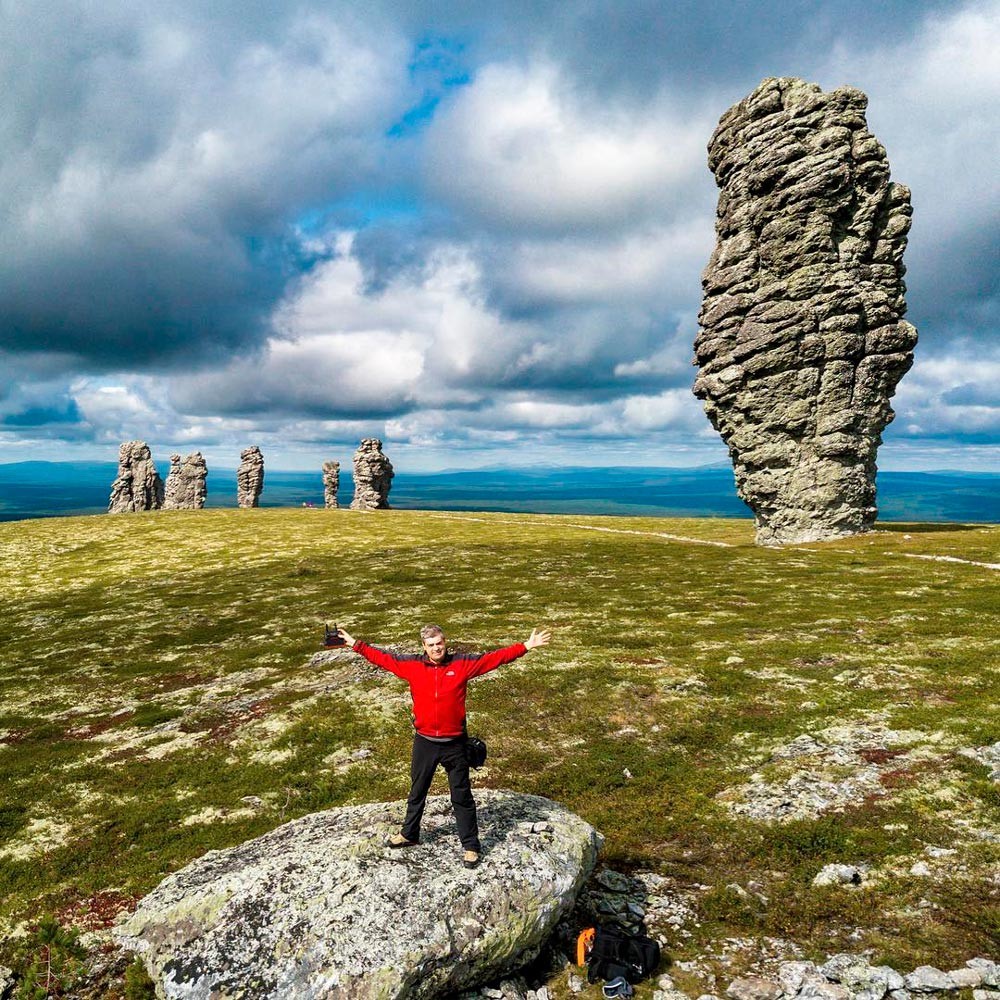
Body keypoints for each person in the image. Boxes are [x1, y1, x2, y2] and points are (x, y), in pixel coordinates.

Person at [336, 623, 551, 869]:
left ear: (445, 642)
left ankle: (471, 847)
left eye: (439, 643)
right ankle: (409, 834)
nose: (436, 648)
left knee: (462, 796)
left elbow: (494, 659)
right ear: (424, 646)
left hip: (455, 743)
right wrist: (355, 644)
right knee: (417, 791)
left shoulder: (462, 664)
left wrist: (526, 646)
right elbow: (383, 658)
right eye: (431, 645)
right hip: (425, 742)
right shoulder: (412, 665)